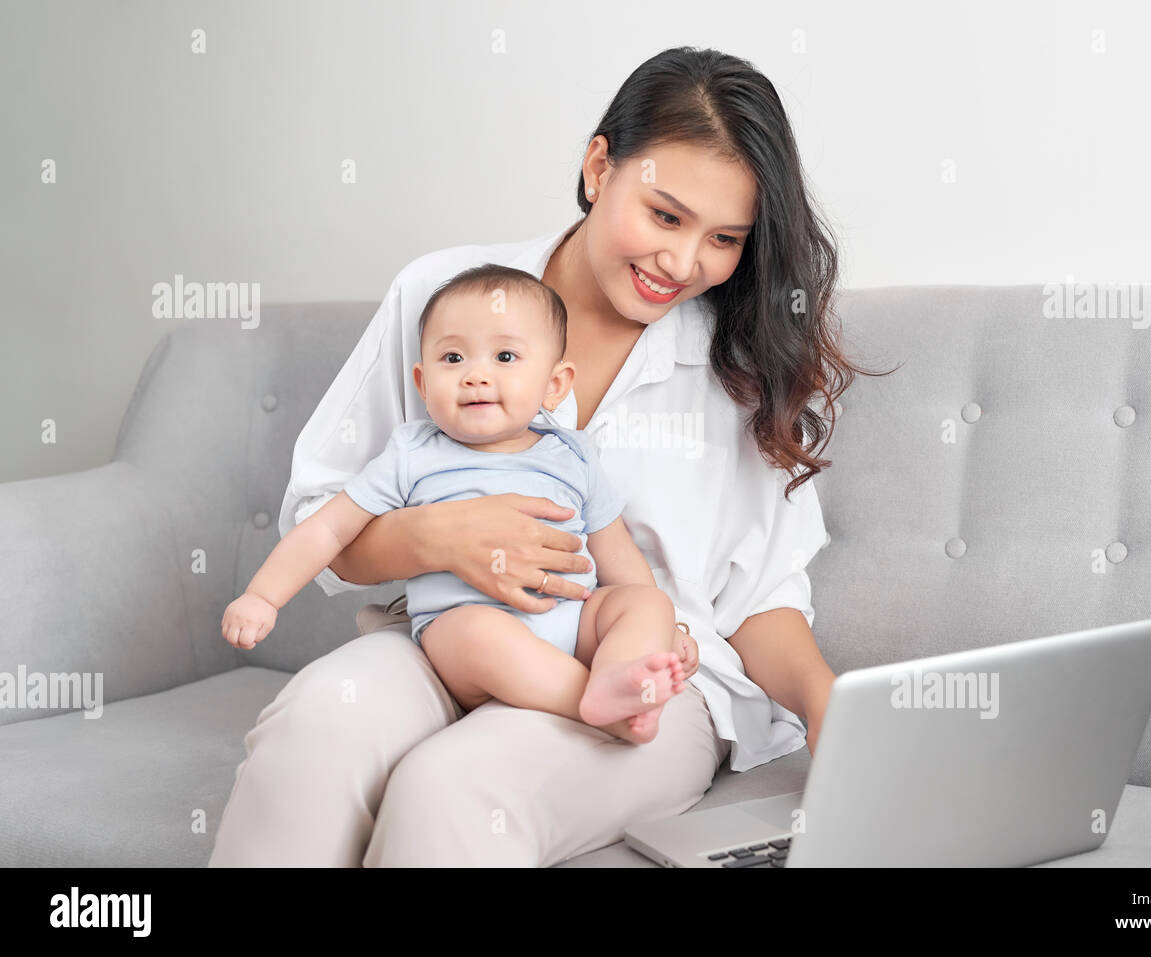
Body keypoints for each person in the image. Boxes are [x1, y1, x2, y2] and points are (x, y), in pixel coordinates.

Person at [209, 45, 883, 867]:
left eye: (725, 238)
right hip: (448, 633)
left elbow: (758, 597)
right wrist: (436, 538)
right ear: (600, 166)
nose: (682, 263)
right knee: (311, 730)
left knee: (455, 789)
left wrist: (826, 704)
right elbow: (320, 516)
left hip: (651, 679)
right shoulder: (444, 298)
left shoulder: (739, 364)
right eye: (665, 215)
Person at [219, 264, 692, 744]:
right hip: (464, 634)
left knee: (644, 602)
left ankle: (621, 676)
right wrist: (263, 596)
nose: (476, 376)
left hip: (574, 624)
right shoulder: (413, 453)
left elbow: (616, 552)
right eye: (453, 358)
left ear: (555, 384)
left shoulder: (572, 453)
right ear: (423, 384)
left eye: (505, 356)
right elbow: (329, 530)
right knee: (480, 632)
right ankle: (595, 705)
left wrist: (664, 631)